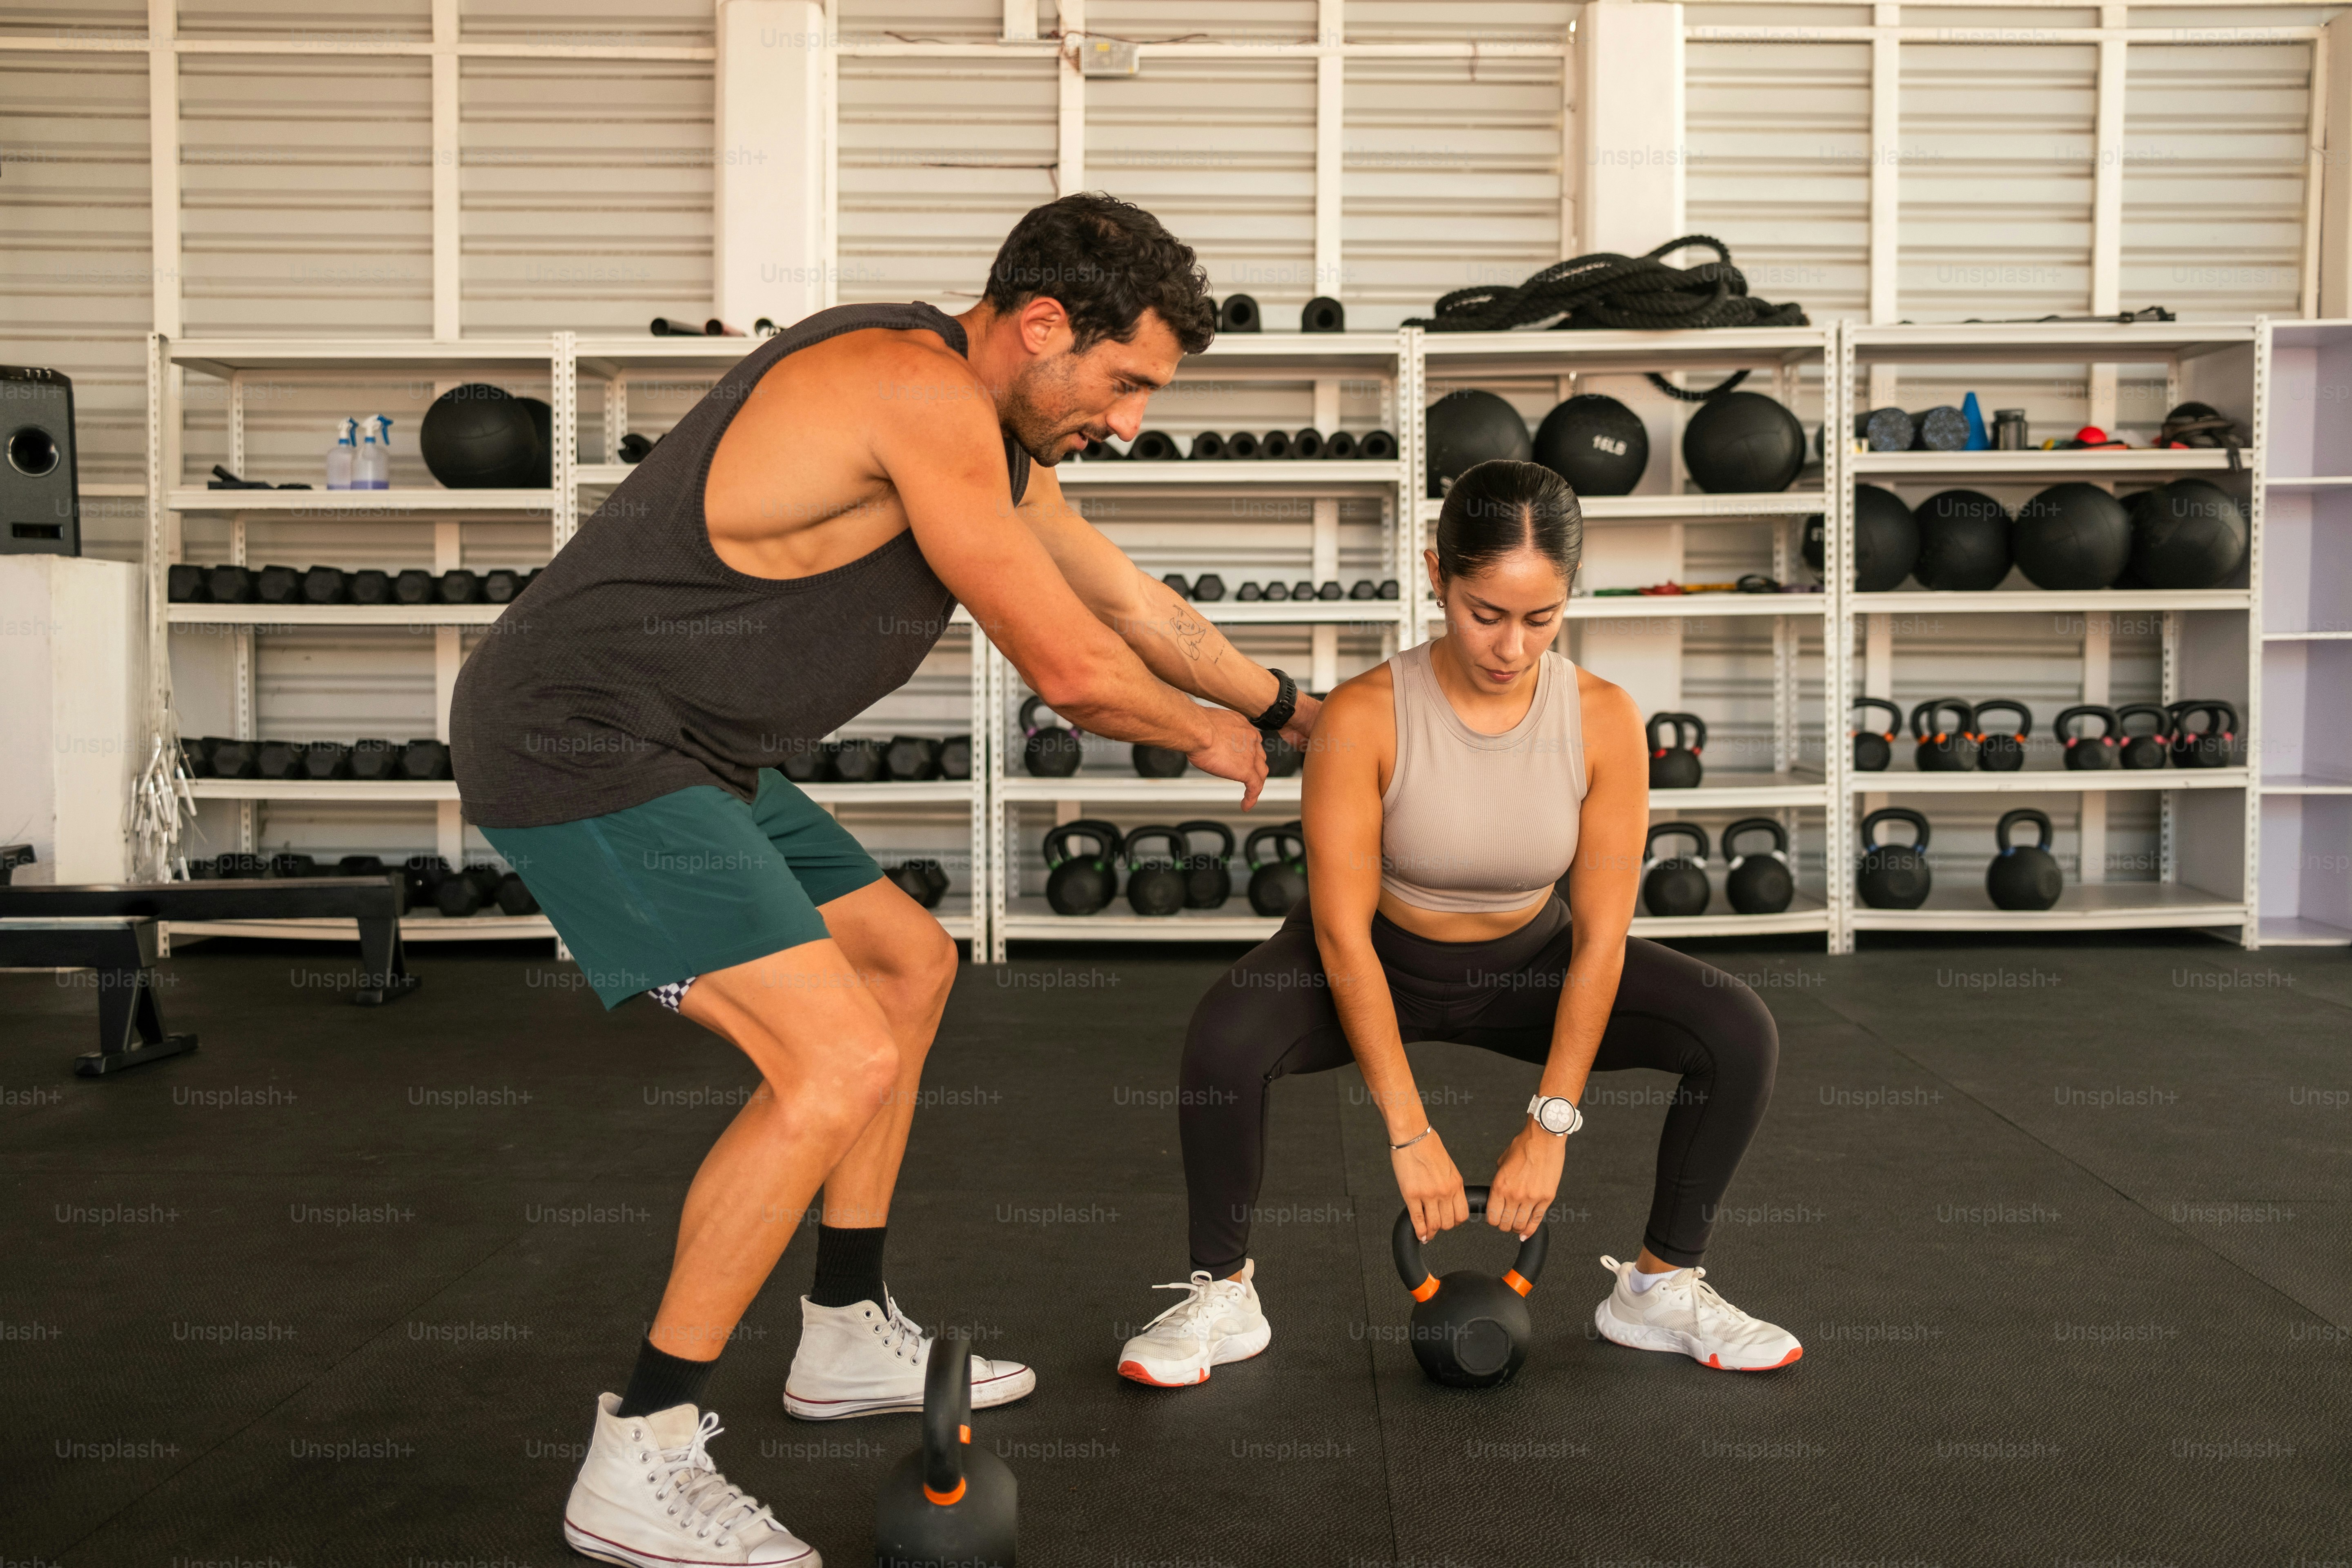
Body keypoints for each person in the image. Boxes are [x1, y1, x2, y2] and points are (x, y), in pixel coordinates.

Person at [450, 194, 1319, 1568]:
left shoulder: (991, 445)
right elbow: (1083, 675)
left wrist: (1298, 712)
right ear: (1042, 327)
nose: (1132, 417)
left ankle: (844, 1329)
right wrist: (1210, 735)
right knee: (832, 1059)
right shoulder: (908, 392)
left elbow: (1137, 608)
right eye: (1125, 380)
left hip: (701, 754)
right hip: (581, 738)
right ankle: (646, 1447)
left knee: (909, 962)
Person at [1116, 459, 1800, 1390]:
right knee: (1225, 1038)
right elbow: (1342, 935)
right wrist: (1408, 1131)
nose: (1511, 646)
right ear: (1438, 575)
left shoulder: (1604, 722)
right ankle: (1223, 1292)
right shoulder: (1364, 715)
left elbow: (1600, 938)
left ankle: (1661, 1287)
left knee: (1737, 1029)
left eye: (1540, 618)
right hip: (1374, 961)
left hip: (1532, 966)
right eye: (1486, 612)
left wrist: (1550, 1125)